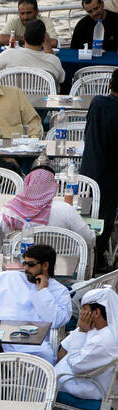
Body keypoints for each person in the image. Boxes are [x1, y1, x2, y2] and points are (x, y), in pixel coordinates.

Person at [0, 243, 73, 363]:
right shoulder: (10, 277)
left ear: (45, 265)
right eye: (25, 263)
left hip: (31, 343)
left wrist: (43, 291)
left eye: (31, 264)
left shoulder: (59, 291)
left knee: (46, 356)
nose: (26, 268)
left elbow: (56, 321)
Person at [0, 167, 95, 260]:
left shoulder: (10, 211)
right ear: (53, 187)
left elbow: (0, 237)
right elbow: (89, 239)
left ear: (27, 185)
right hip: (63, 266)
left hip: (23, 267)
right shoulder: (65, 209)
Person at [81, 69, 118, 271]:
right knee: (104, 217)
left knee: (89, 216)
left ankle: (91, 255)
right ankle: (97, 259)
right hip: (111, 176)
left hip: (89, 171)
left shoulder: (97, 104)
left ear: (110, 85)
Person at [56, 286, 118, 405]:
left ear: (96, 312)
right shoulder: (103, 330)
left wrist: (81, 331)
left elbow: (76, 365)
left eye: (84, 309)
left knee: (41, 383)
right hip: (91, 380)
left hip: (93, 389)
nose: (81, 314)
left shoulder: (103, 340)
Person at [0, 19, 66, 86]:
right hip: (43, 103)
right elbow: (61, 79)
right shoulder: (54, 61)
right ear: (44, 38)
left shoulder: (9, 54)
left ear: (24, 37)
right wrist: (47, 45)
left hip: (14, 102)